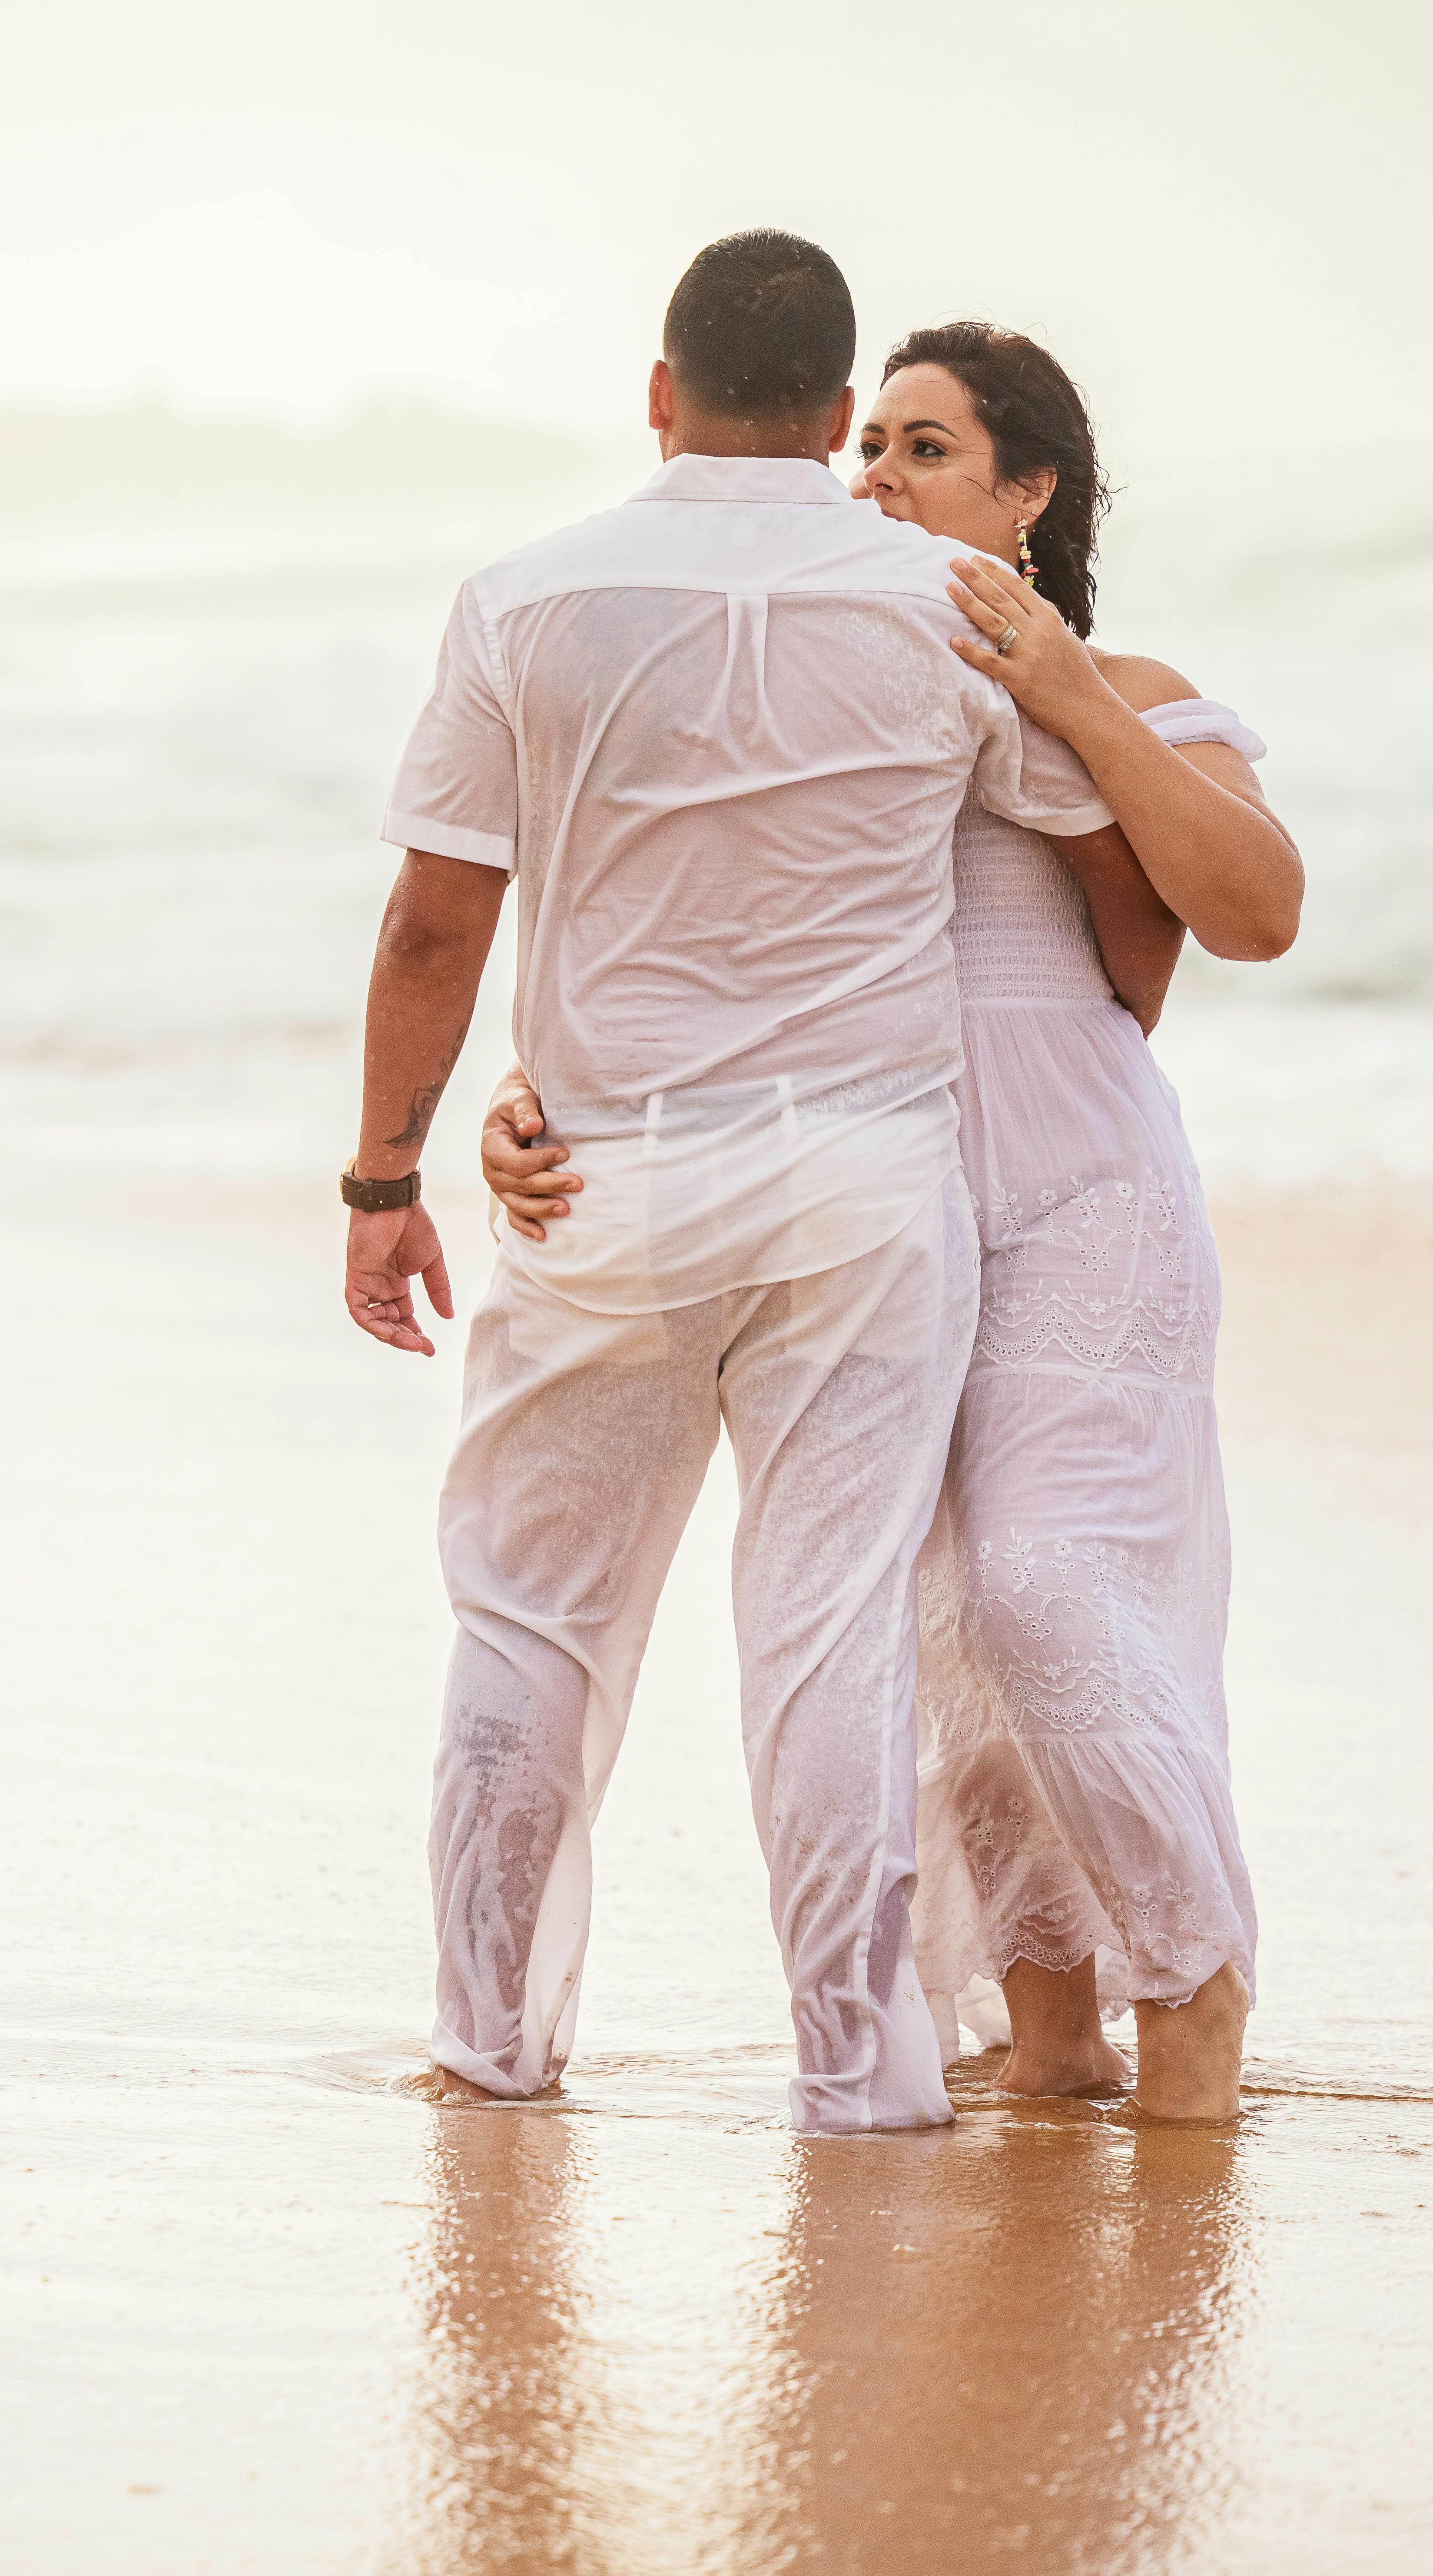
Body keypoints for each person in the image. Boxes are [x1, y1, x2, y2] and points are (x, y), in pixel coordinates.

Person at [342, 232, 1133, 2135]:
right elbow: (1102, 865)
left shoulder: (525, 600)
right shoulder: (949, 603)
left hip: (598, 1182)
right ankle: (857, 2070)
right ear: (843, 412)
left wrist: (385, 1177)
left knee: (531, 1618)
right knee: (830, 1629)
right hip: (863, 1185)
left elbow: (438, 922)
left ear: (658, 392)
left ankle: (491, 2040)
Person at [482, 322, 1303, 2120]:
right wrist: (536, 1094)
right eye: (875, 449)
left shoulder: (1128, 686)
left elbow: (1251, 916)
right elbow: (676, 937)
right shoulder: (816, 684)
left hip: (1084, 1191)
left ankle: (1197, 1982)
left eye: (930, 452)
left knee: (1044, 1583)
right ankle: (1055, 2029)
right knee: (936, 1630)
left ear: (1031, 493)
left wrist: (1065, 690)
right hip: (868, 1194)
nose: (881, 482)